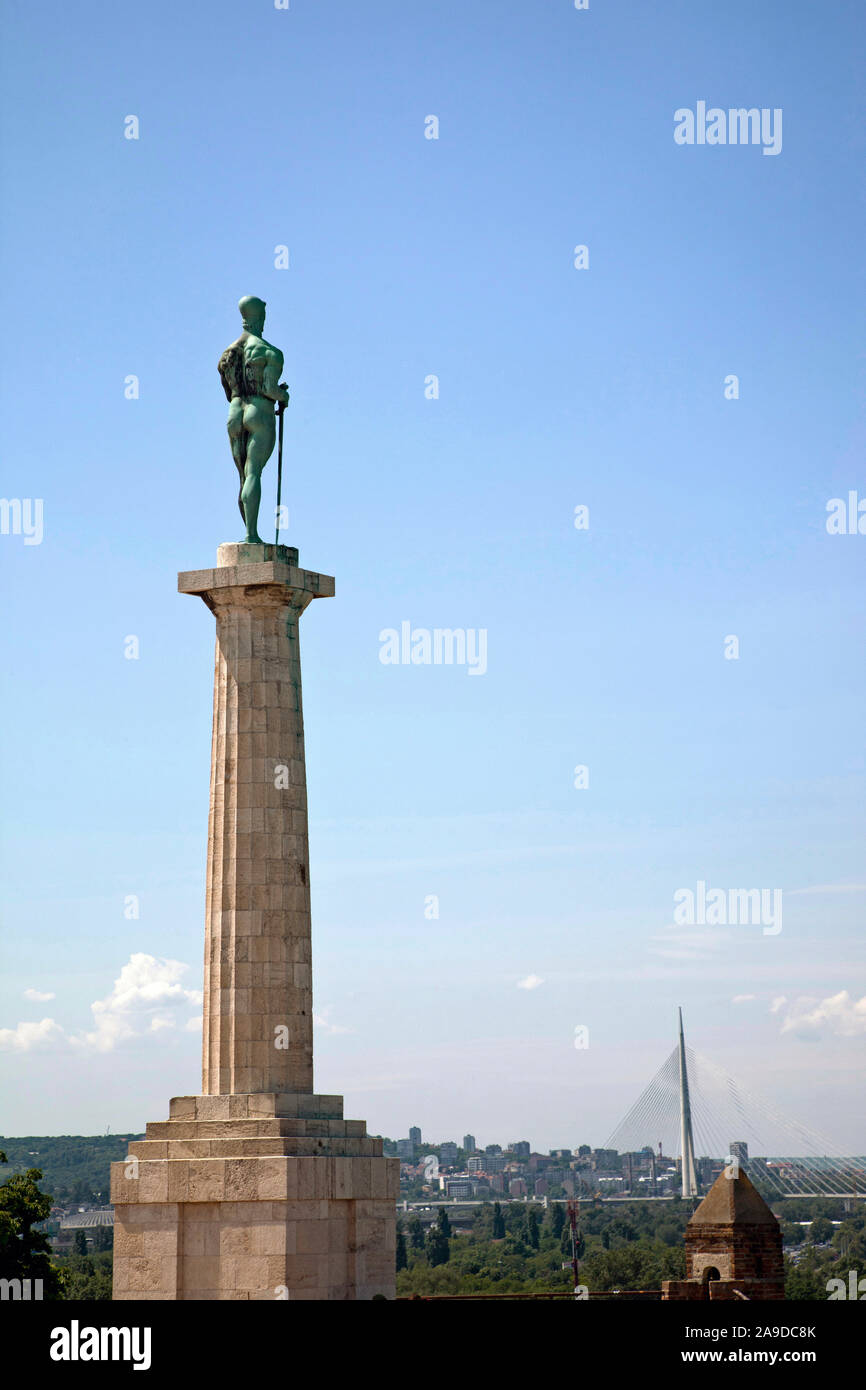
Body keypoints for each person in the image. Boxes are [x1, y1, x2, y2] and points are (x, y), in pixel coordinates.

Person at [218, 296, 289, 543]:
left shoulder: (228, 354)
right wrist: (284, 395)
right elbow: (269, 388)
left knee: (242, 476)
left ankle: (249, 531)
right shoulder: (270, 352)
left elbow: (229, 392)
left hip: (235, 412)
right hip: (259, 411)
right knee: (254, 473)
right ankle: (251, 534)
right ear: (260, 318)